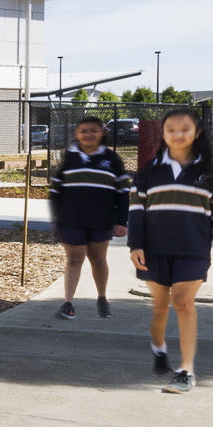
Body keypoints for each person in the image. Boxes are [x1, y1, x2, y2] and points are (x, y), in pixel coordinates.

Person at [129, 107, 213, 394]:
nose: (178, 134)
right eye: (171, 129)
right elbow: (136, 209)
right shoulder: (149, 170)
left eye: (185, 129)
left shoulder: (212, 171)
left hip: (193, 250)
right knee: (160, 306)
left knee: (184, 302)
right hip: (154, 250)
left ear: (196, 132)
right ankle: (159, 347)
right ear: (163, 134)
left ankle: (186, 370)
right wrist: (135, 245)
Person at [46, 116, 132, 320]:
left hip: (101, 219)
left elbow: (122, 192)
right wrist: (56, 218)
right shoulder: (69, 158)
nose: (88, 134)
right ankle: (68, 303)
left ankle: (102, 298)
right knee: (74, 259)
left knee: (98, 259)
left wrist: (121, 221)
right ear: (77, 134)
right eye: (83, 130)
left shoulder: (112, 159)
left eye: (94, 130)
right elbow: (55, 191)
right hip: (71, 220)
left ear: (102, 133)